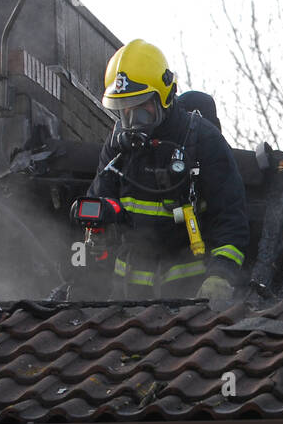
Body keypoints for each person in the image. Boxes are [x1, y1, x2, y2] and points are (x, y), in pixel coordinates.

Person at [81, 39, 249, 304]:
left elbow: (231, 218)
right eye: (124, 108)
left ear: (166, 96)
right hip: (129, 301)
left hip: (190, 298)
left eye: (141, 104)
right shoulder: (117, 146)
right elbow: (100, 205)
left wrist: (221, 276)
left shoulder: (203, 141)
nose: (132, 117)